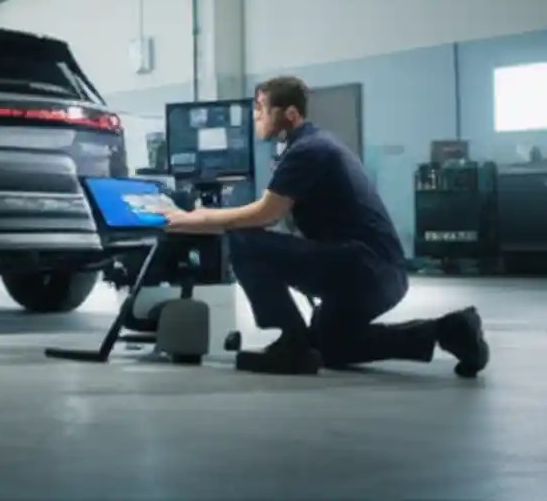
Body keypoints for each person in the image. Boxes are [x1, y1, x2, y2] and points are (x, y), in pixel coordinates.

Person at [158, 76, 490, 377]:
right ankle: (451, 331)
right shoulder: (314, 145)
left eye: (261, 109)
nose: (255, 117)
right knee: (330, 347)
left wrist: (188, 220)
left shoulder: (308, 151)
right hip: (381, 274)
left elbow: (264, 215)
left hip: (364, 268)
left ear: (289, 115)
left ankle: (290, 345)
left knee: (244, 240)